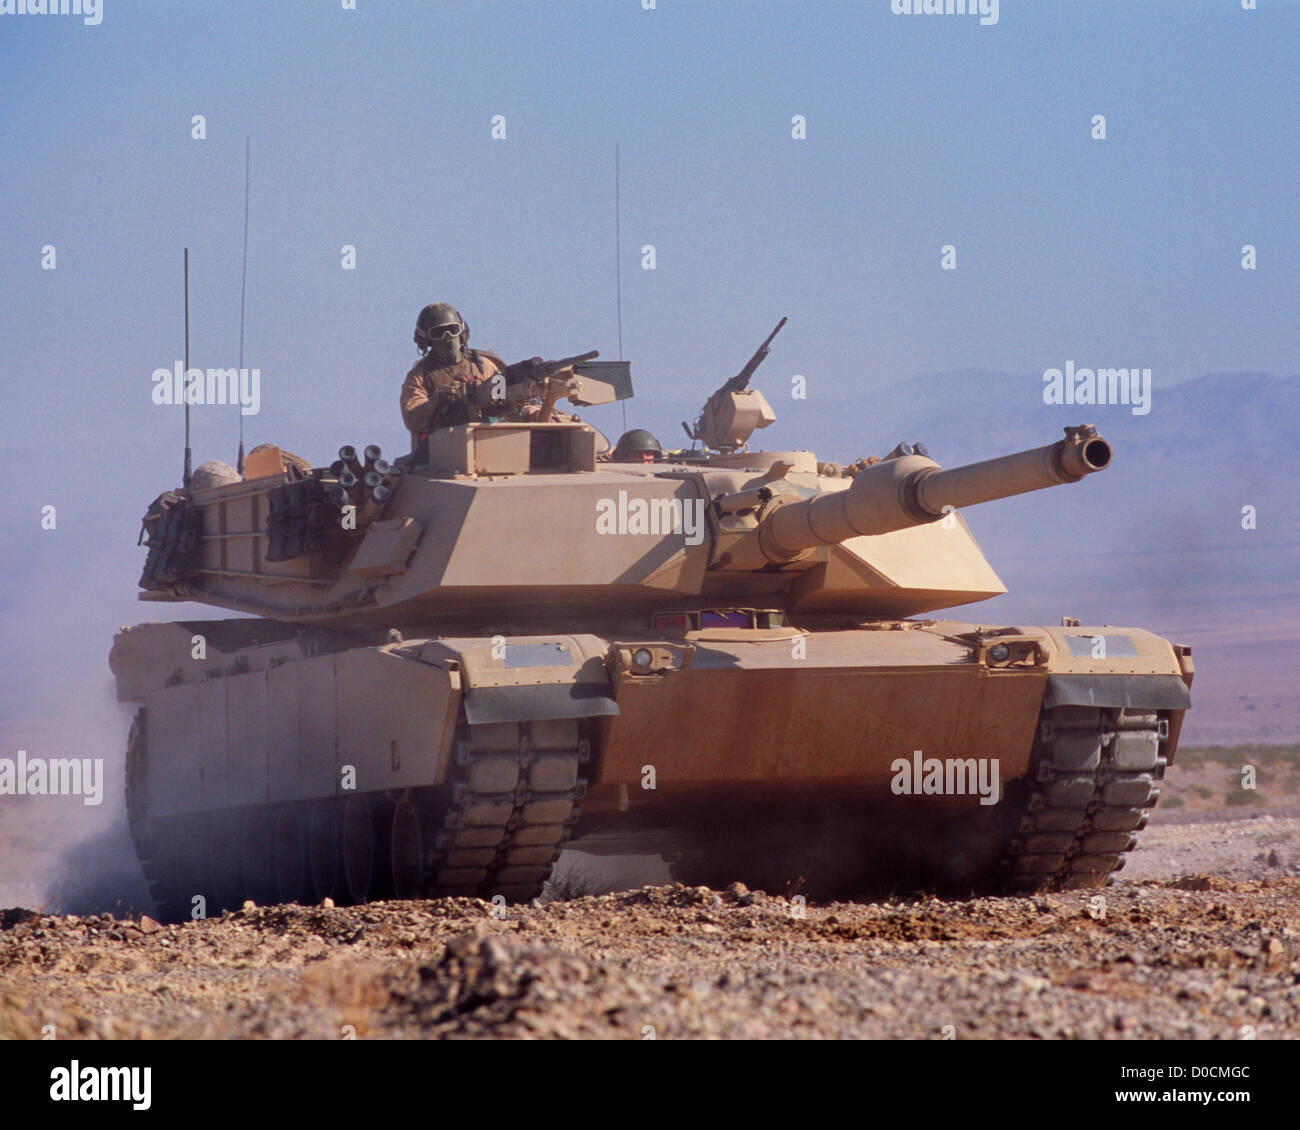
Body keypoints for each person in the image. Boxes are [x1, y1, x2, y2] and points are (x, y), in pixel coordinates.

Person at [400, 303, 506, 439]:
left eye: (453, 329)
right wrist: (438, 400)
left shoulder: (484, 366)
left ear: (462, 333)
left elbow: (508, 401)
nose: (448, 337)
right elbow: (413, 419)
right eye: (438, 333)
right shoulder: (420, 376)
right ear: (426, 340)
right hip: (444, 447)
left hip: (490, 439)